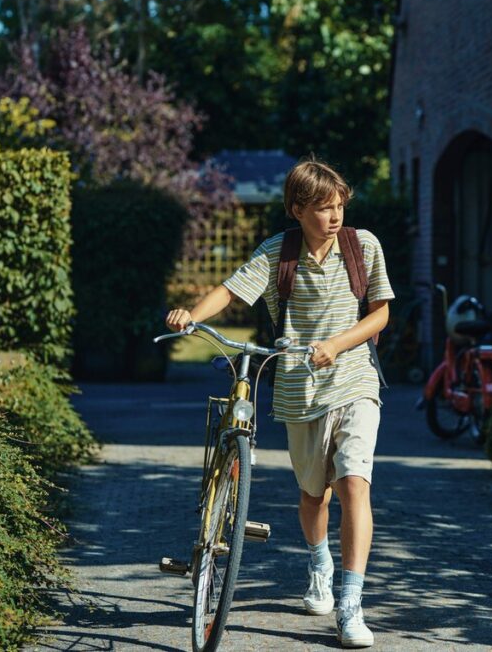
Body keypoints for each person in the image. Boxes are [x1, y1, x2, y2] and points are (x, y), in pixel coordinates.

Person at [164, 156, 394, 648]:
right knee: (314, 496)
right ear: (297, 209)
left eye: (339, 206)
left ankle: (351, 604)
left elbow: (379, 315)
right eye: (323, 208)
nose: (334, 216)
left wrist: (337, 345)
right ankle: (319, 563)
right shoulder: (278, 254)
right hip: (297, 390)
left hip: (355, 380)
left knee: (355, 484)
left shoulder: (363, 246)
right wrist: (191, 316)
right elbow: (230, 292)